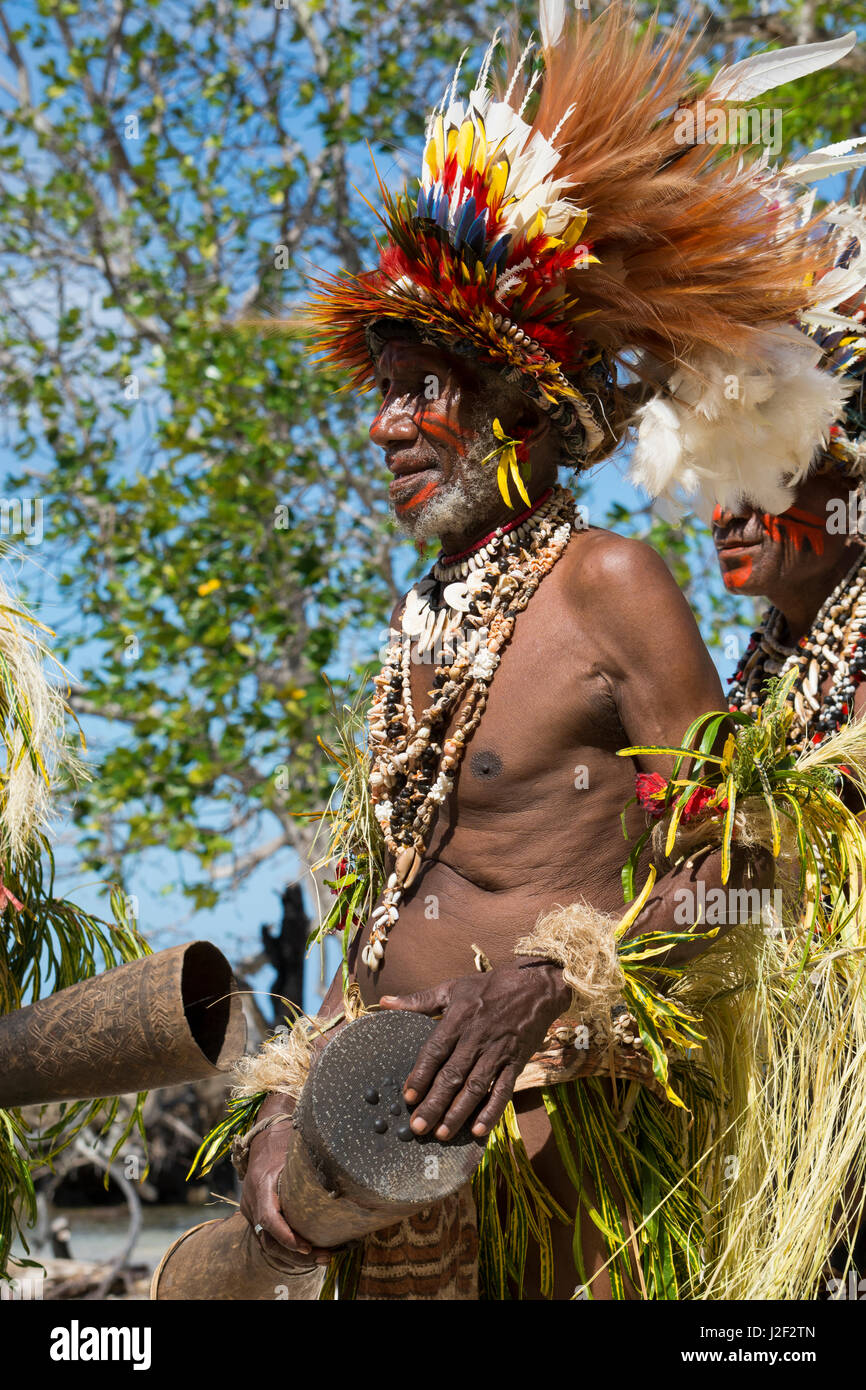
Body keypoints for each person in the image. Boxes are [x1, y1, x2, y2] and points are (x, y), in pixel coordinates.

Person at [225, 5, 866, 1300]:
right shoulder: (419, 621)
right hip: (392, 1166)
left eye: (426, 388)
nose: (388, 427)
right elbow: (387, 902)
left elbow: (746, 874)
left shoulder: (608, 586)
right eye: (381, 389)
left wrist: (552, 981)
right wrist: (293, 1092)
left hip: (561, 1169)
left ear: (524, 401)